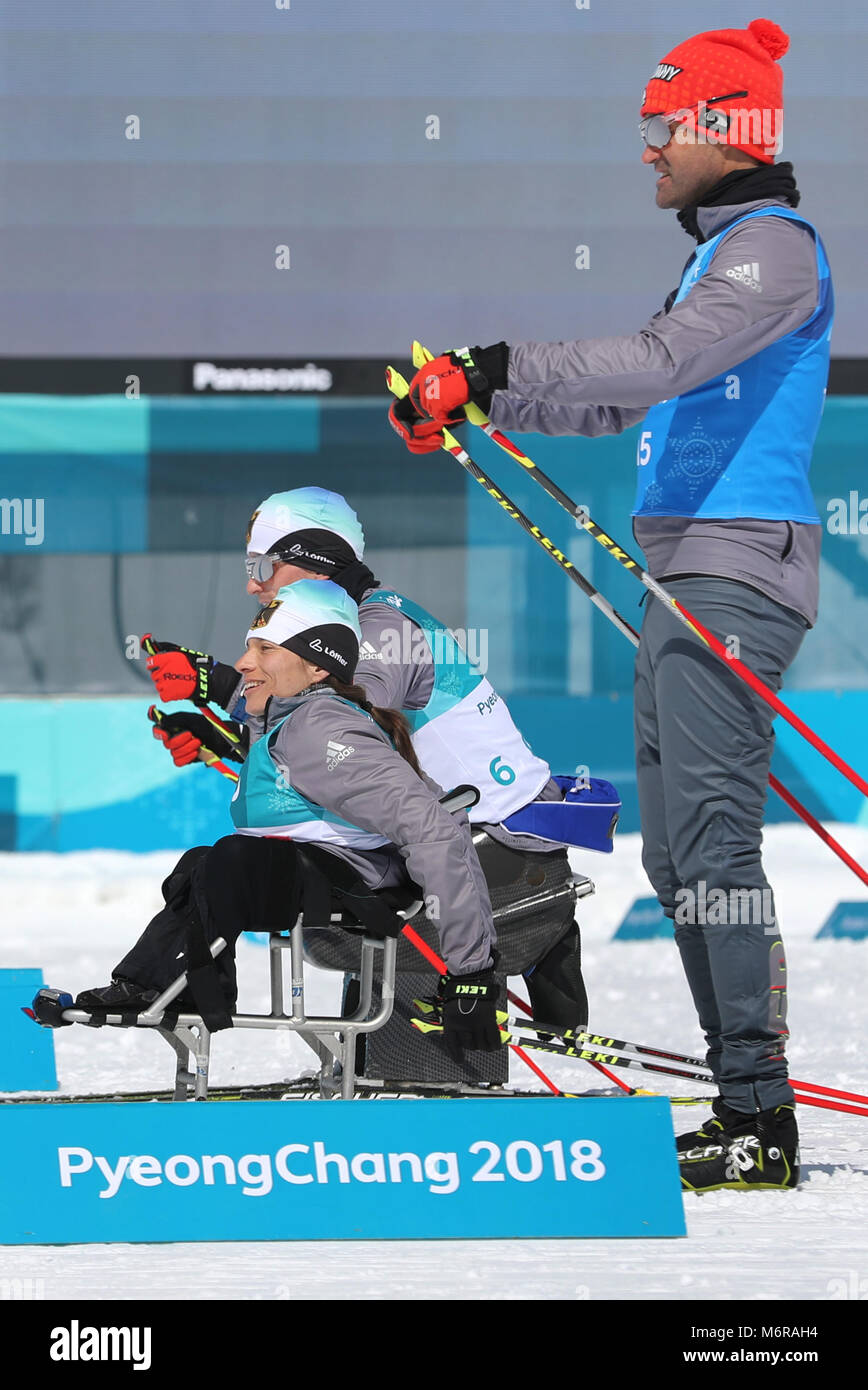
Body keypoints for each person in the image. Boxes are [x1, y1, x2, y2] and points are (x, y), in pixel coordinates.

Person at [391, 19, 833, 1190]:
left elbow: (658, 360)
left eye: (662, 127)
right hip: (686, 574)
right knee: (678, 860)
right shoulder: (718, 255)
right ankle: (745, 1102)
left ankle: (757, 1111)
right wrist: (478, 403)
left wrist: (496, 364)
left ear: (727, 128)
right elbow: (620, 402)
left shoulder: (772, 249)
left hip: (731, 570)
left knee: (714, 848)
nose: (646, 150)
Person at [142, 487, 593, 1079]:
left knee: (332, 890)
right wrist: (226, 729)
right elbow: (319, 748)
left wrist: (223, 689)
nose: (253, 586)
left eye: (262, 566)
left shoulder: (380, 630)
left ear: (317, 563)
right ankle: (376, 1072)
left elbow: (333, 726)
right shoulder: (350, 627)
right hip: (457, 845)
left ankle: (418, 1081)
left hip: (497, 860)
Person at [71, 581, 503, 1065]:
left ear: (317, 666)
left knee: (231, 860)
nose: (243, 662)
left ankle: (178, 988)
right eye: (248, 648)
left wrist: (471, 974)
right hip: (326, 875)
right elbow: (290, 782)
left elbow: (433, 830)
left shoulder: (323, 727)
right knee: (200, 863)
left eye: (265, 649)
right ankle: (155, 985)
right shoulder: (293, 721)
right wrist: (217, 734)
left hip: (363, 888)